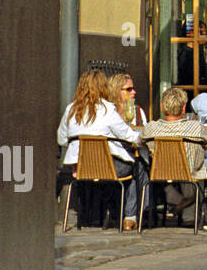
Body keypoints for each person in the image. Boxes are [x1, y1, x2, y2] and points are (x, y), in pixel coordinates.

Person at [58, 68, 146, 231]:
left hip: (81, 168)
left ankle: (105, 215)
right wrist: (144, 138)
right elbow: (129, 135)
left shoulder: (71, 109)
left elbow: (61, 139)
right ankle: (129, 216)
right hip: (108, 167)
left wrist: (79, 146)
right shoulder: (107, 109)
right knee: (137, 166)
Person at [141, 87, 207, 221]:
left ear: (162, 107)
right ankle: (191, 215)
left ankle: (178, 201)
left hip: (161, 174)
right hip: (189, 173)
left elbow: (139, 143)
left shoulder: (151, 128)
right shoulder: (195, 128)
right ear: (183, 109)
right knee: (205, 169)